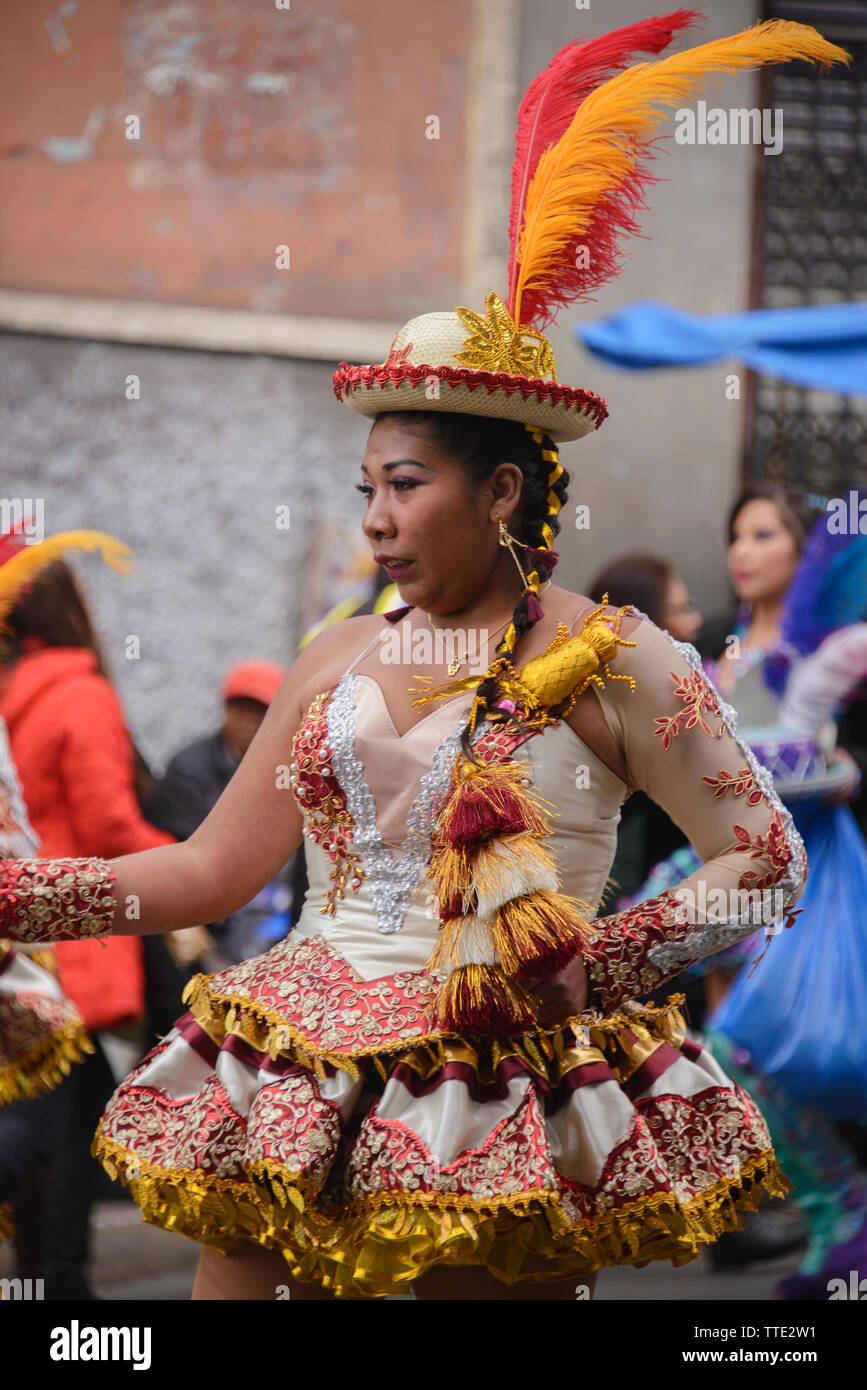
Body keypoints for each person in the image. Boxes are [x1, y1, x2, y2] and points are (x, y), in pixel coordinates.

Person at [0, 14, 849, 1301]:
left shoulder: (620, 659)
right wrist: (24, 900)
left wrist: (599, 962)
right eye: (364, 488)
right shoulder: (335, 652)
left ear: (501, 490)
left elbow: (764, 859)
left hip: (494, 1094)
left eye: (405, 484)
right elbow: (205, 866)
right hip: (296, 1066)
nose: (377, 519)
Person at [0, 522, 182, 1298]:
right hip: (73, 938)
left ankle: (48, 1282)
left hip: (27, 939)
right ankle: (62, 1287)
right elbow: (110, 826)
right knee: (58, 1134)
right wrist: (188, 867)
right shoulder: (81, 692)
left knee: (57, 1123)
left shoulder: (13, 692)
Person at [145, 659, 293, 967]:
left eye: (260, 710)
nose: (248, 720)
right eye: (240, 708)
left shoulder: (292, 766)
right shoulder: (189, 768)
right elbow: (180, 849)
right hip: (208, 916)